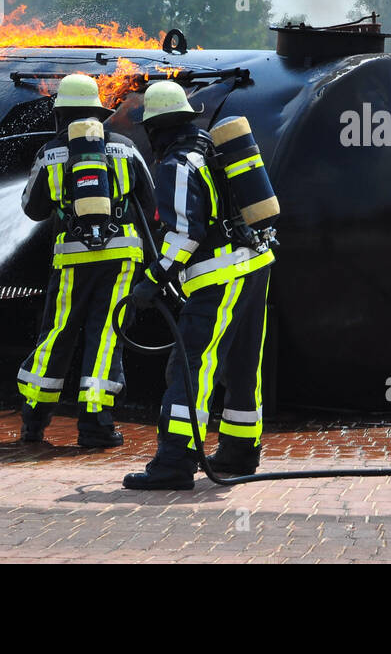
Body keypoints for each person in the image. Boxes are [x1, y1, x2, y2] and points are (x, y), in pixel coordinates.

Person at [123, 80, 275, 490]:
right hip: (255, 264)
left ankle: (174, 462)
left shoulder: (177, 164)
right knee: (244, 365)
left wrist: (152, 281)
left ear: (157, 128)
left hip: (220, 275)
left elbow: (185, 234)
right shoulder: (211, 150)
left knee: (192, 365)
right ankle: (240, 451)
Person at [17, 72, 155, 447]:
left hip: (70, 260)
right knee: (107, 335)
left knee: (59, 333)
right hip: (122, 258)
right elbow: (151, 204)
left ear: (62, 114)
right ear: (98, 111)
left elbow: (33, 209)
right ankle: (96, 426)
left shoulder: (50, 153)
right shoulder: (126, 147)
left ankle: (34, 421)